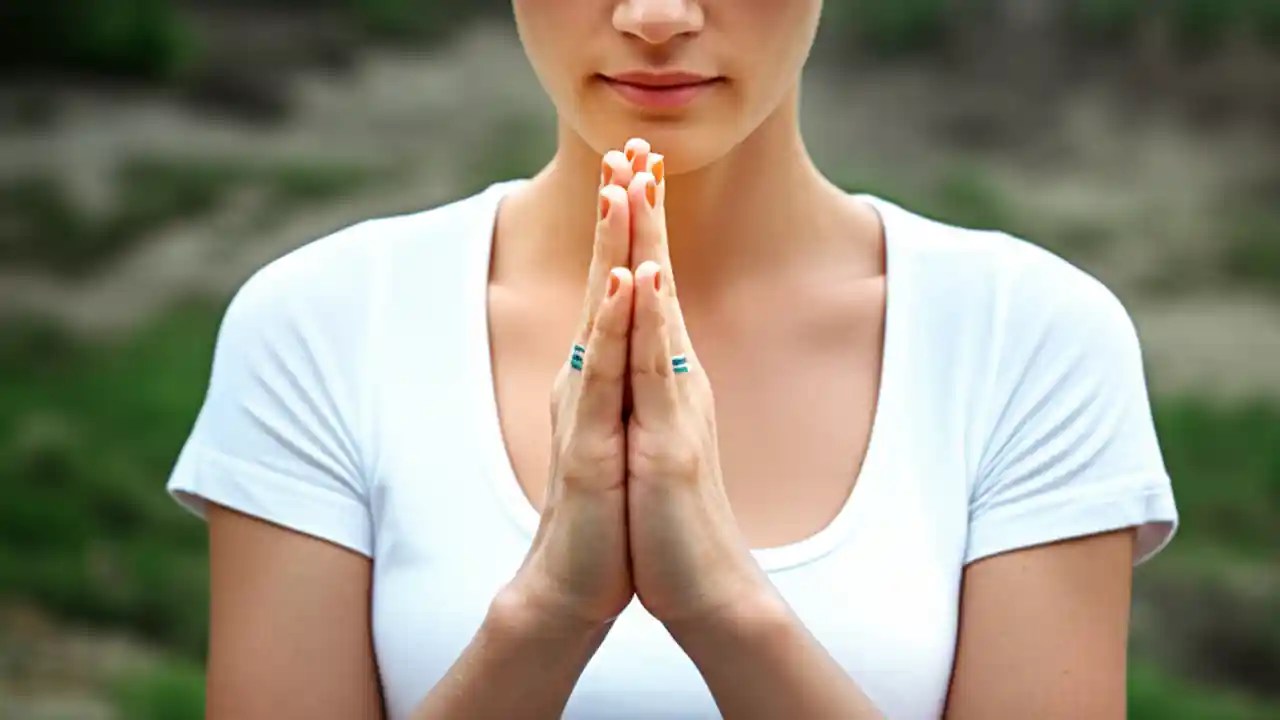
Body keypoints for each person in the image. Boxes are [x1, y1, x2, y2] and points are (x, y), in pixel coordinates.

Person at [165, 1, 1179, 718]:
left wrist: (724, 608)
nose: (655, 16)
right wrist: (549, 613)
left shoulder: (1023, 341)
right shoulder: (325, 326)